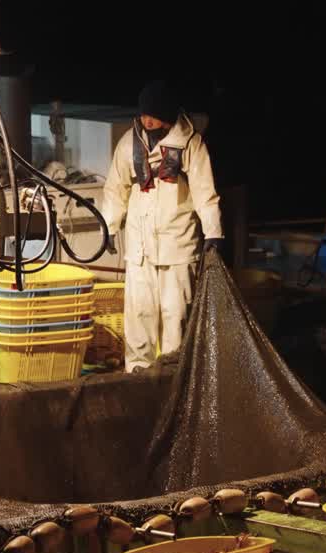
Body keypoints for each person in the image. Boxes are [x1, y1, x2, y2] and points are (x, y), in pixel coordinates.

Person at [100, 80, 224, 371]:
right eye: (143, 114)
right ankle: (137, 376)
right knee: (139, 314)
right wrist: (109, 226)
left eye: (153, 114)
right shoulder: (129, 143)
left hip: (177, 248)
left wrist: (213, 233)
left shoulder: (191, 144)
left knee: (175, 315)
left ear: (167, 115)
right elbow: (115, 188)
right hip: (139, 247)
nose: (146, 120)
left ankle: (172, 378)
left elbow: (206, 193)